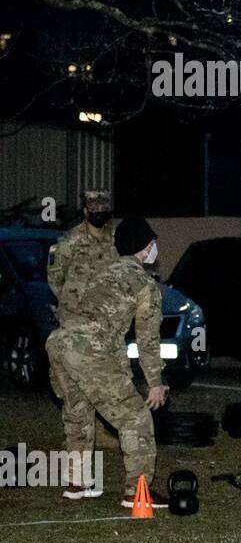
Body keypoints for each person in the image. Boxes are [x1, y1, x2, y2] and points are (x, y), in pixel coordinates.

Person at [45, 217, 169, 508]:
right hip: (88, 350)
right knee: (135, 417)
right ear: (145, 247)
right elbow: (147, 340)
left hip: (59, 343)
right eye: (153, 244)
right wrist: (155, 384)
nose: (155, 249)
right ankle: (136, 492)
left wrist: (120, 371)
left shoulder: (103, 274)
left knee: (79, 414)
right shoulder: (144, 284)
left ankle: (77, 483)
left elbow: (101, 328)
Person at [47, 190, 117, 323]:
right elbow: (55, 278)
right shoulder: (70, 240)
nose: (99, 213)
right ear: (86, 211)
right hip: (76, 316)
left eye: (103, 209)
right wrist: (71, 301)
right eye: (94, 209)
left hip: (108, 314)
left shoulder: (116, 238)